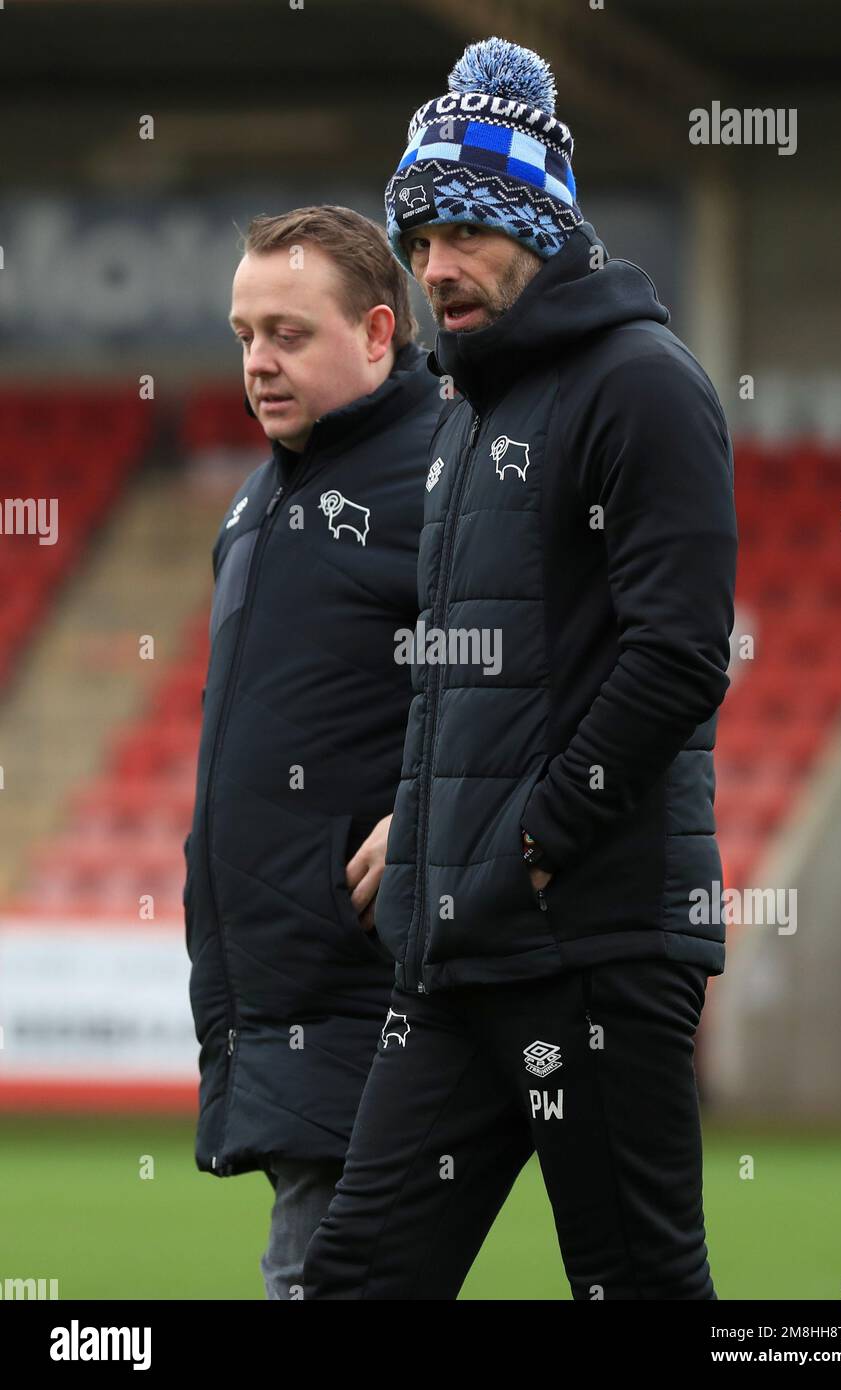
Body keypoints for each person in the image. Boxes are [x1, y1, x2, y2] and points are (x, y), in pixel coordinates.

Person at [303, 38, 738, 1300]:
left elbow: (674, 657)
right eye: (420, 235)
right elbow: (486, 681)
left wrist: (532, 843)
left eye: (467, 234)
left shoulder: (644, 387)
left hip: (590, 946)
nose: (436, 265)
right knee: (357, 1282)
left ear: (544, 226)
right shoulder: (471, 413)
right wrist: (428, 821)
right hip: (456, 951)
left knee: (638, 1286)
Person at [182, 205, 441, 1298]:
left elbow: (543, 674)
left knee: (315, 1272)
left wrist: (433, 816)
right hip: (280, 985)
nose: (257, 362)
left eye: (288, 333)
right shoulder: (252, 503)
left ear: (378, 333)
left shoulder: (449, 476)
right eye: (244, 334)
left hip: (368, 985)